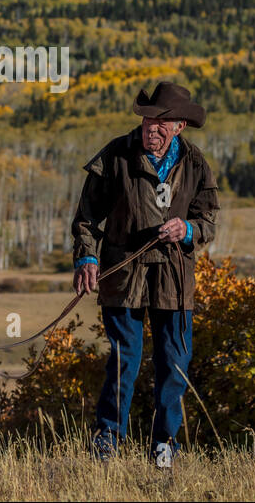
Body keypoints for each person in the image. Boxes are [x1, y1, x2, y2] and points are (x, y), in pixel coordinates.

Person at [70, 81, 219, 463]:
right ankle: (106, 442)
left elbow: (208, 222)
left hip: (175, 279)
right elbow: (86, 218)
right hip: (124, 277)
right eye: (147, 121)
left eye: (160, 124)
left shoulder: (196, 163)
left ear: (179, 126)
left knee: (174, 365)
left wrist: (186, 230)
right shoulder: (116, 156)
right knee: (125, 360)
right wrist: (86, 258)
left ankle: (164, 446)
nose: (150, 129)